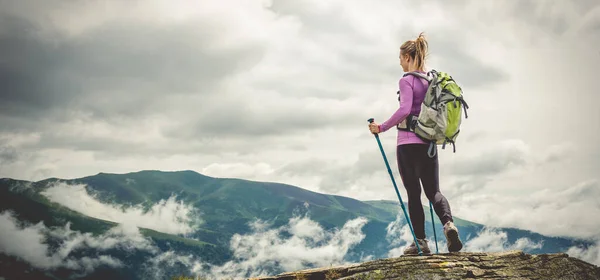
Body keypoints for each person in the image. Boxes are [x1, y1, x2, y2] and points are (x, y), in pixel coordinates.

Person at [368, 32, 463, 255]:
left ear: (409, 57)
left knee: (413, 193)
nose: (400, 62)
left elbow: (404, 110)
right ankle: (449, 224)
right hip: (428, 143)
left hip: (407, 145)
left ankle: (421, 242)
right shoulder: (431, 81)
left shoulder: (406, 81)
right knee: (434, 192)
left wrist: (381, 127)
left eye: (401, 58)